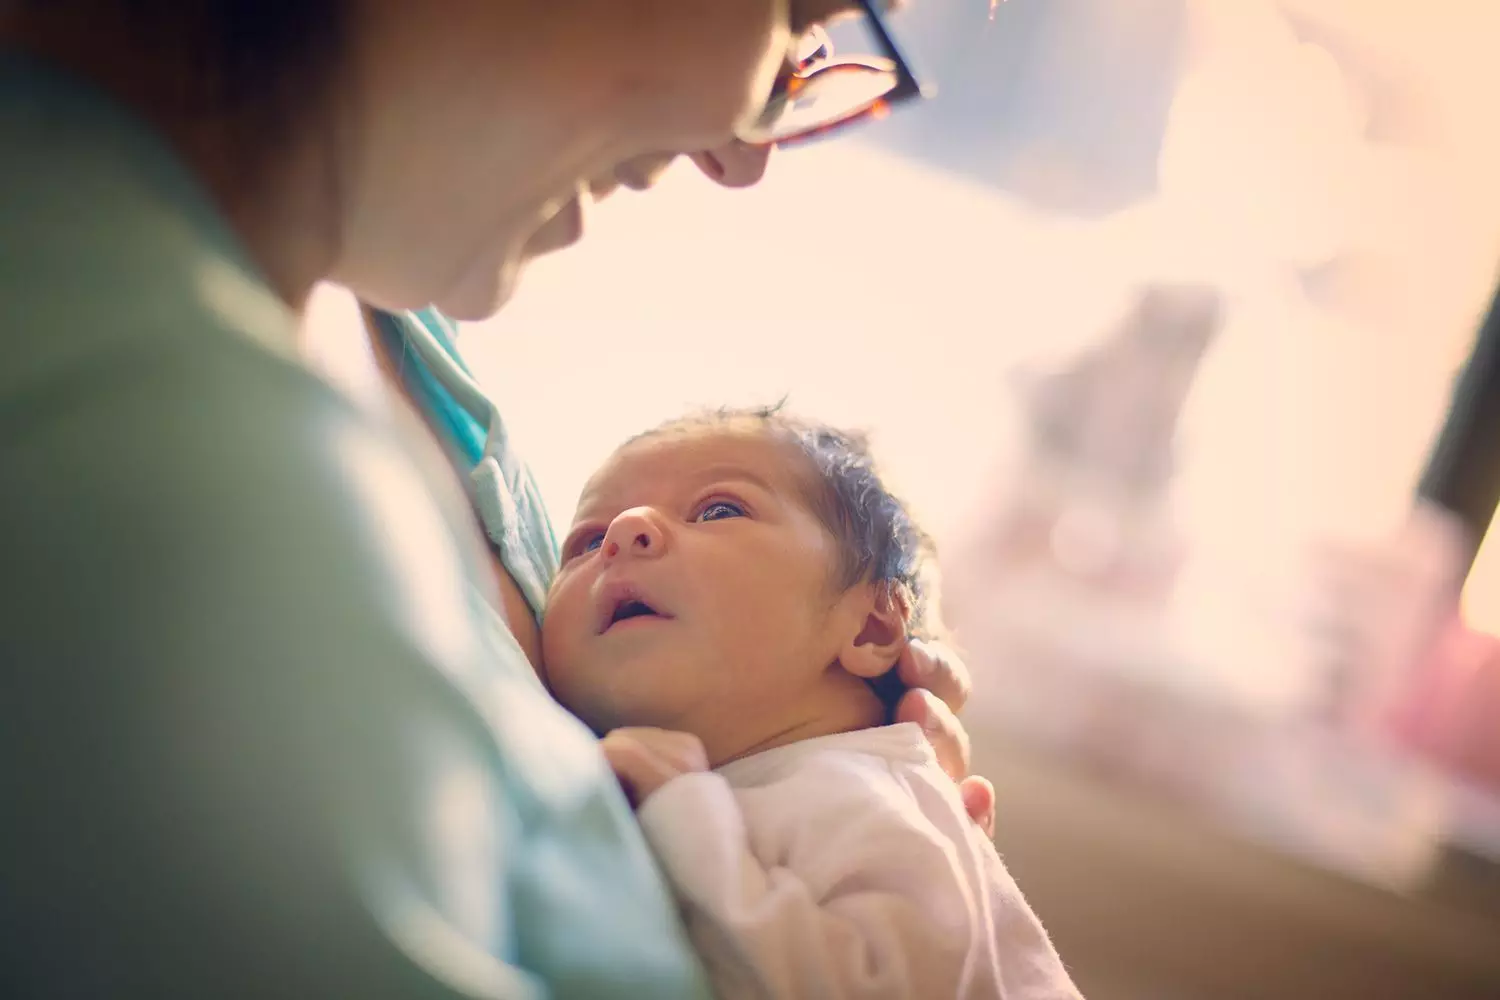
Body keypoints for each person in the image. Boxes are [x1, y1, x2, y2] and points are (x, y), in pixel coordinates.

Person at [0, 2, 992, 997]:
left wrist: (818, 786)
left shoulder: (405, 333)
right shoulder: (145, 443)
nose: (744, 155)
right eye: (795, 16)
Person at [540, 405, 1082, 999]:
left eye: (718, 509)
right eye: (586, 542)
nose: (625, 531)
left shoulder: (860, 789)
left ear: (871, 627)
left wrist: (681, 810)